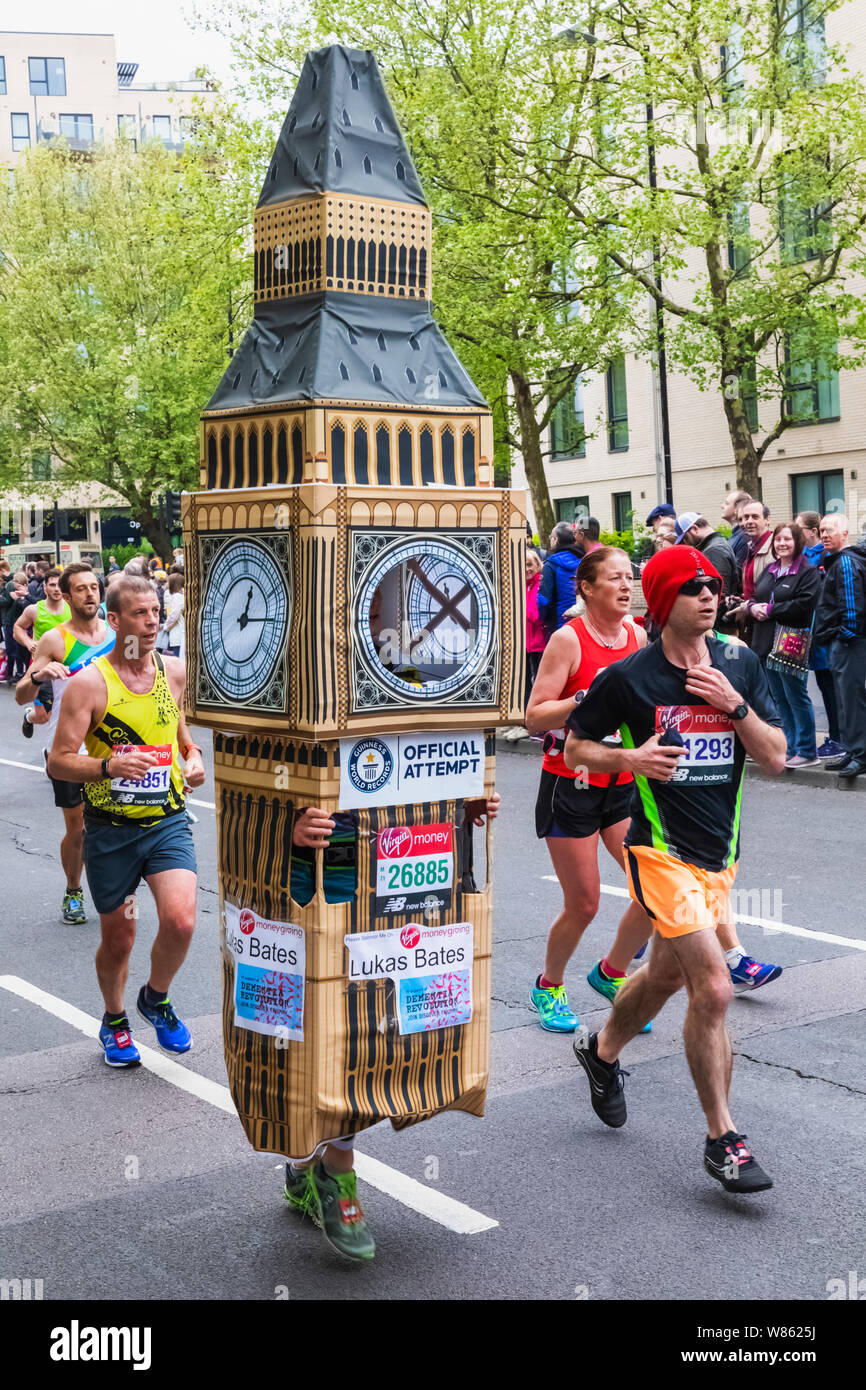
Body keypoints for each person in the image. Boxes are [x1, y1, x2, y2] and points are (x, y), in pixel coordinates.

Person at [565, 544, 787, 1193]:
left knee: (663, 976)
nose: (710, 593)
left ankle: (600, 1053)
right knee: (714, 988)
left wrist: (734, 706)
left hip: (719, 859)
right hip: (659, 854)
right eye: (693, 586)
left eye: (714, 584)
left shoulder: (740, 663)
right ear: (665, 601)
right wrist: (629, 762)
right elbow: (577, 744)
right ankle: (725, 1140)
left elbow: (776, 756)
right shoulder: (631, 678)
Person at [282, 794, 500, 1261]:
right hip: (325, 865)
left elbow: (434, 753)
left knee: (371, 1026)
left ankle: (333, 1167)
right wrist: (285, 825)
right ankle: (307, 1159)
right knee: (323, 1023)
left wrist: (464, 803)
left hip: (403, 861)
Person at [47, 575, 205, 1066]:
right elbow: (57, 760)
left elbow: (183, 737)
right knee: (121, 936)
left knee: (180, 921)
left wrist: (194, 758)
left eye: (156, 611)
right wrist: (106, 767)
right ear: (114, 620)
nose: (153, 621)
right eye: (140, 613)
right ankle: (114, 1019)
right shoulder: (89, 684)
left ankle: (155, 999)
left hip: (166, 821)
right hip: (111, 830)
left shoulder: (173, 672)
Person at [525, 547, 653, 1032]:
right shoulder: (568, 639)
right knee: (584, 903)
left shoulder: (637, 635)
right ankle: (548, 985)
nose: (626, 586)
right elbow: (534, 716)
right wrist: (584, 696)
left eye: (630, 577)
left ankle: (611, 973)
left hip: (620, 781)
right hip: (570, 784)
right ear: (586, 587)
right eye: (615, 578)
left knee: (653, 891)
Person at [14, 563, 117, 925]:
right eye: (82, 589)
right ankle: (74, 890)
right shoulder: (55, 639)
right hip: (72, 750)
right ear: (68, 596)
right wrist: (39, 675)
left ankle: (117, 892)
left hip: (115, 746)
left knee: (119, 824)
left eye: (95, 587)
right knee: (80, 828)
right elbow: (21, 694)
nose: (91, 594)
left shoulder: (116, 633)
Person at [735, 523, 821, 767]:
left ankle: (806, 750)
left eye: (788, 539)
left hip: (791, 643)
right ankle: (789, 747)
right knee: (778, 699)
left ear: (797, 542)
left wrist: (770, 610)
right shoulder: (771, 569)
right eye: (778, 540)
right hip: (765, 642)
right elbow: (754, 596)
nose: (782, 544)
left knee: (796, 696)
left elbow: (805, 604)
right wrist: (752, 607)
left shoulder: (807, 571)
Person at [814, 514, 866, 778]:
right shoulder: (837, 561)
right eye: (821, 530)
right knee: (846, 700)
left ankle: (860, 754)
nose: (824, 534)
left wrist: (843, 635)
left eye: (830, 530)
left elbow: (852, 608)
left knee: (852, 699)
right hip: (843, 643)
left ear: (845, 533)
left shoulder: (845, 562)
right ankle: (853, 751)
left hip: (849, 644)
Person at [795, 511, 844, 758]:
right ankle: (837, 737)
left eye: (799, 529)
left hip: (826, 636)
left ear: (811, 532)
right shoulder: (800, 557)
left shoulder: (827, 557)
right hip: (811, 636)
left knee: (834, 688)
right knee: (826, 687)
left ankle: (839, 738)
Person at [505, 548, 546, 742]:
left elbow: (537, 615)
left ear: (537, 565)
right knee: (523, 685)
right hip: (525, 644)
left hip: (539, 644)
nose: (527, 569)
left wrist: (520, 610)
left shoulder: (539, 585)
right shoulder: (521, 586)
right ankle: (522, 722)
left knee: (537, 685)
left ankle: (533, 725)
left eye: (530, 564)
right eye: (523, 566)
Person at [673, 513, 740, 631]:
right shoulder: (716, 545)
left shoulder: (714, 550)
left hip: (719, 626)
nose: (685, 542)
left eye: (685, 538)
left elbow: (719, 593)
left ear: (694, 529)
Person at [536, 522, 585, 637]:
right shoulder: (585, 561)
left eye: (551, 537)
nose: (550, 540)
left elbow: (543, 600)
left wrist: (539, 619)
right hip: (582, 624)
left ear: (556, 540)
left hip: (557, 626)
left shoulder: (551, 565)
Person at [13, 567, 71, 658]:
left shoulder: (73, 608)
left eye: (60, 585)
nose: (56, 589)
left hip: (68, 662)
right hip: (41, 663)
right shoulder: (33, 610)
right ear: (45, 587)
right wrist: (29, 642)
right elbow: (17, 628)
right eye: (52, 585)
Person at [740, 501, 773, 606]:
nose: (749, 521)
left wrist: (746, 606)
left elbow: (771, 593)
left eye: (755, 517)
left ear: (767, 520)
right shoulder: (750, 548)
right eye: (746, 517)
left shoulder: (775, 549)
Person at [3, 571, 31, 683]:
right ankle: (19, 673)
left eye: (15, 581)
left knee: (17, 650)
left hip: (16, 624)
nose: (13, 583)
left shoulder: (20, 593)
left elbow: (24, 607)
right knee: (16, 651)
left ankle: (19, 673)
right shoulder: (20, 591)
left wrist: (17, 599)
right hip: (15, 623)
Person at [722, 490, 752, 568]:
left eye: (727, 503)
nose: (722, 506)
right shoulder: (736, 535)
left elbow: (738, 572)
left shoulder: (744, 538)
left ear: (737, 509)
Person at [162, 572, 185, 660]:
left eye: (168, 582)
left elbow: (174, 614)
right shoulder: (180, 596)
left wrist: (166, 626)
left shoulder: (177, 597)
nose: (167, 584)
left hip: (177, 632)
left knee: (178, 659)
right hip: (178, 632)